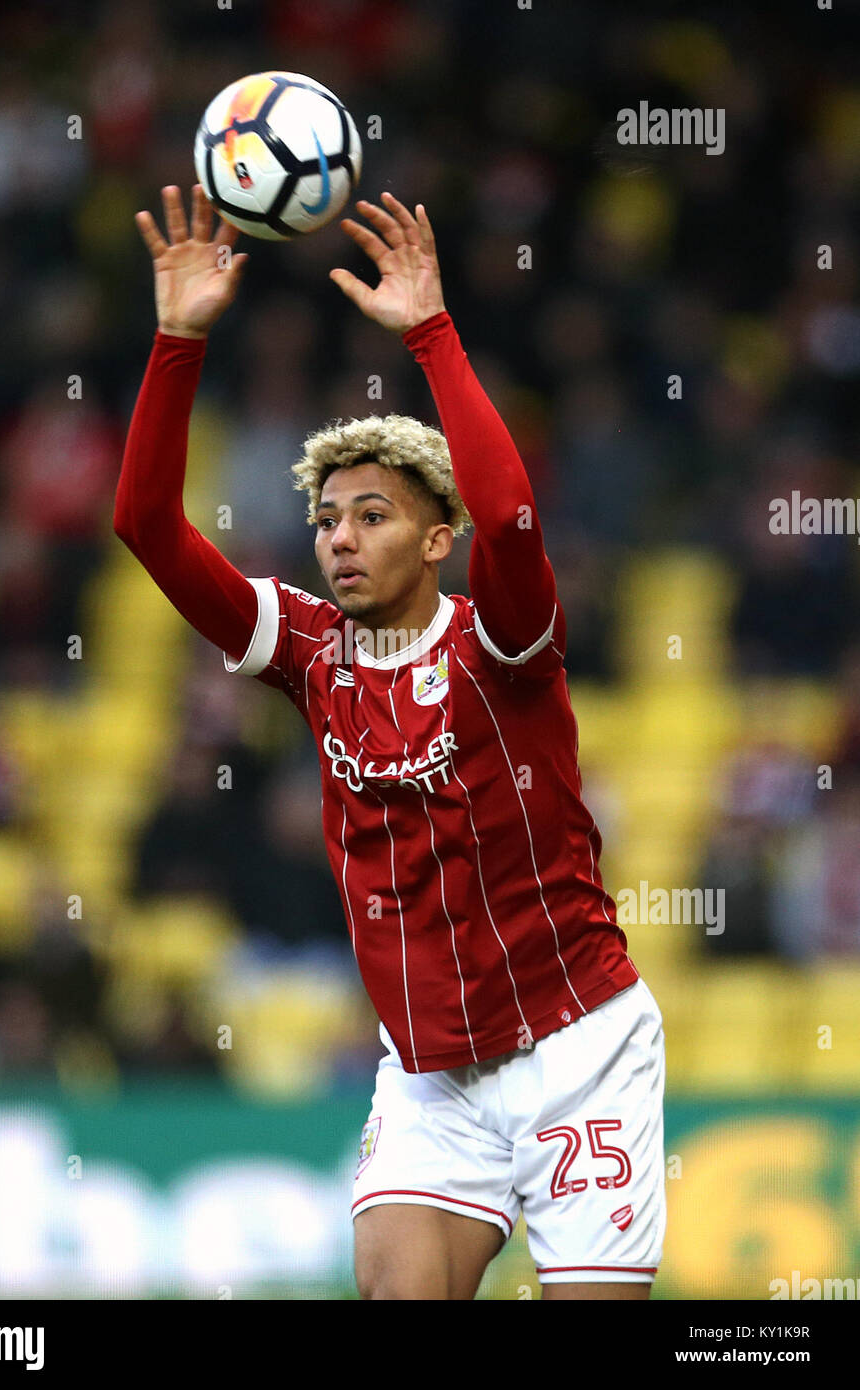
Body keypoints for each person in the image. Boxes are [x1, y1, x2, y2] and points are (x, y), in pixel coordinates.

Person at [115, 183, 666, 1300]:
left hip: (579, 1052)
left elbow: (513, 518)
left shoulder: (504, 648)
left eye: (372, 514)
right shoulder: (311, 653)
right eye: (326, 519)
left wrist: (430, 331)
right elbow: (145, 527)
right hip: (429, 1080)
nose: (340, 540)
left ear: (436, 534)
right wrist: (178, 341)